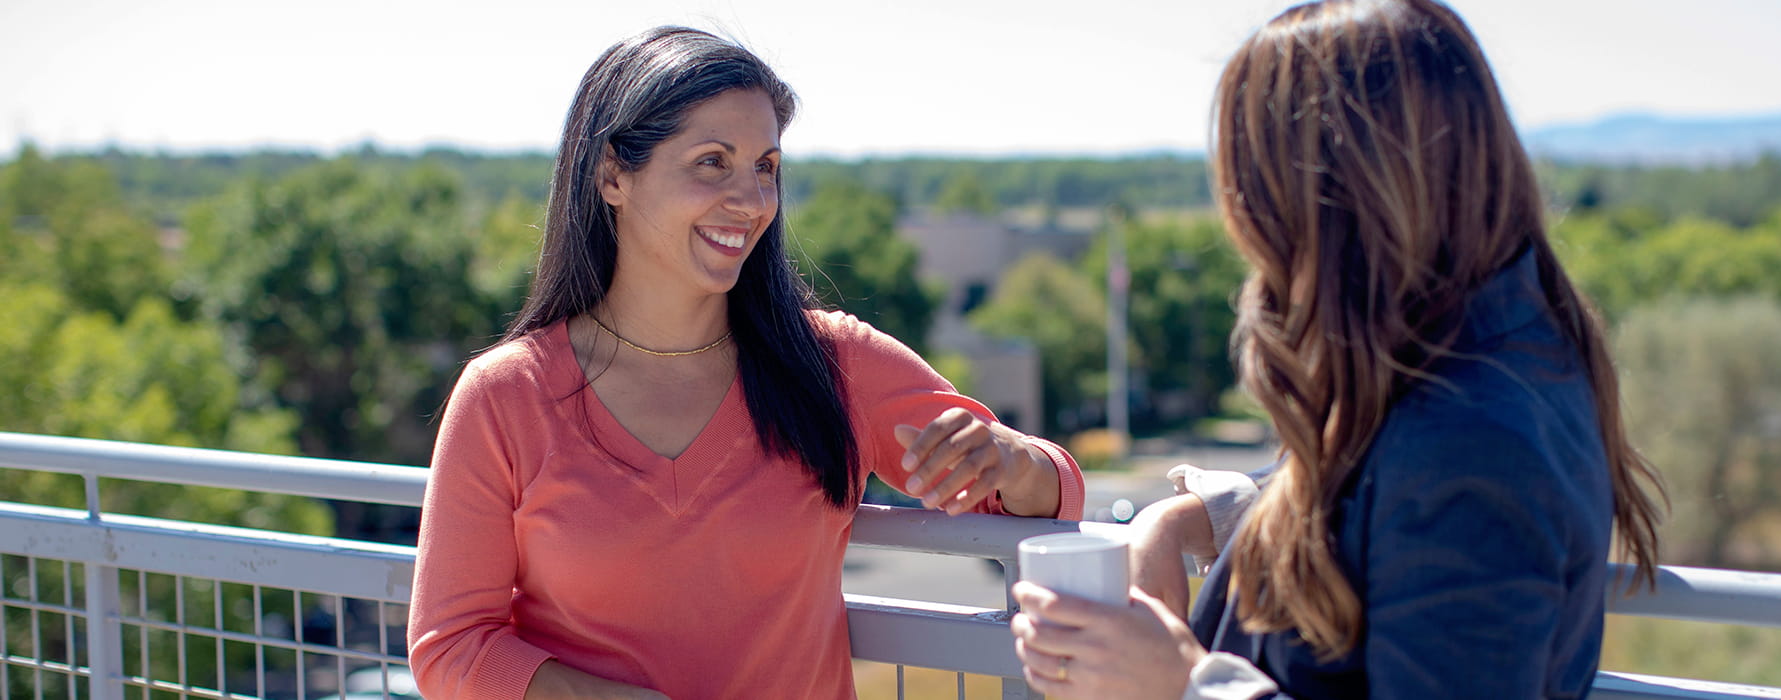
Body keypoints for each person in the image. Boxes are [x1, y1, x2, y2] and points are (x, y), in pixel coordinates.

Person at [1009, 1, 1665, 697]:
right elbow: (1380, 504)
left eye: (1250, 184)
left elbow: (1420, 490)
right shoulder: (1496, 356)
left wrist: (1182, 686)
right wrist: (1202, 517)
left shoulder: (1471, 443)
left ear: (1319, 200)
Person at [407, 27, 1085, 700]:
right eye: (712, 162)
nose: (754, 200)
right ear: (613, 174)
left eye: (766, 167)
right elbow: (450, 643)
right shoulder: (505, 396)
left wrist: (1011, 462)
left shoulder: (835, 363)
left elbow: (1047, 494)